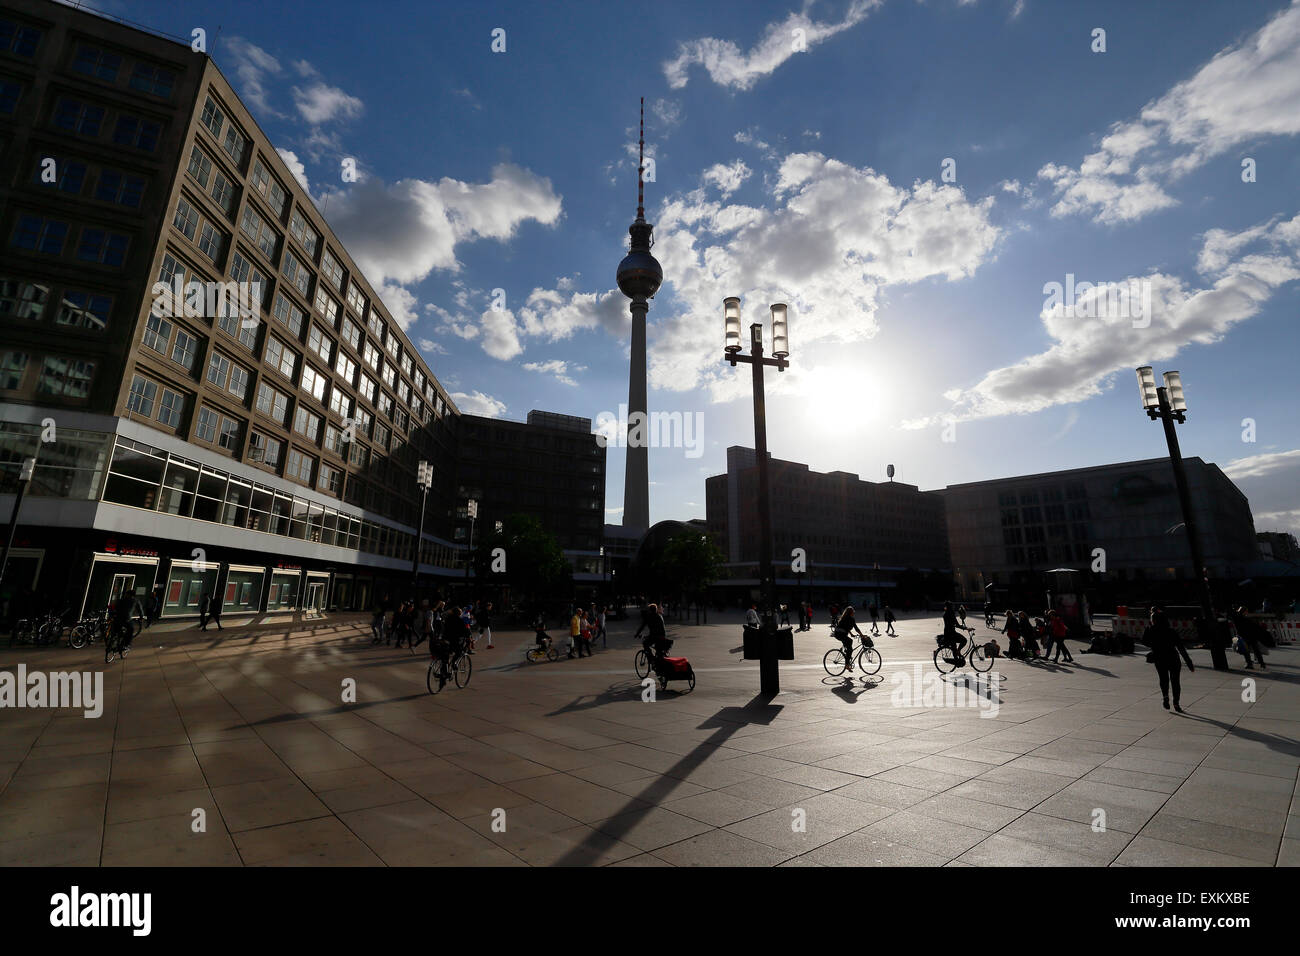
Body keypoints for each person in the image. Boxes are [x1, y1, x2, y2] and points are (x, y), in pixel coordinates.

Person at [1144, 606, 1194, 712]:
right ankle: (1176, 703)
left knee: (1163, 679)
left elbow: (1145, 642)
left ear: (1153, 621)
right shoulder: (1171, 631)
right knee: (1175, 681)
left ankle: (1165, 697)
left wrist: (1148, 629)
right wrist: (1189, 662)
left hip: (1159, 658)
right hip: (1173, 658)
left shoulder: (1151, 630)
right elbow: (1180, 647)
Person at [833, 605, 865, 672]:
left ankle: (847, 655)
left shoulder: (844, 617)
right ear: (851, 612)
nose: (854, 612)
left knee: (849, 644)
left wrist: (851, 634)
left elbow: (846, 627)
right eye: (853, 611)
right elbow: (856, 628)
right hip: (840, 634)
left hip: (838, 634)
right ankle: (847, 665)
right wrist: (862, 635)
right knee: (850, 645)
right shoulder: (851, 619)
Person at [111, 587, 143, 655]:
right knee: (131, 630)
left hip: (117, 618)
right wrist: (141, 617)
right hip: (126, 619)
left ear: (127, 594)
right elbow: (140, 610)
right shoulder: (136, 600)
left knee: (116, 630)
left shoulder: (121, 600)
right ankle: (126, 645)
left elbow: (115, 607)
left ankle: (112, 641)